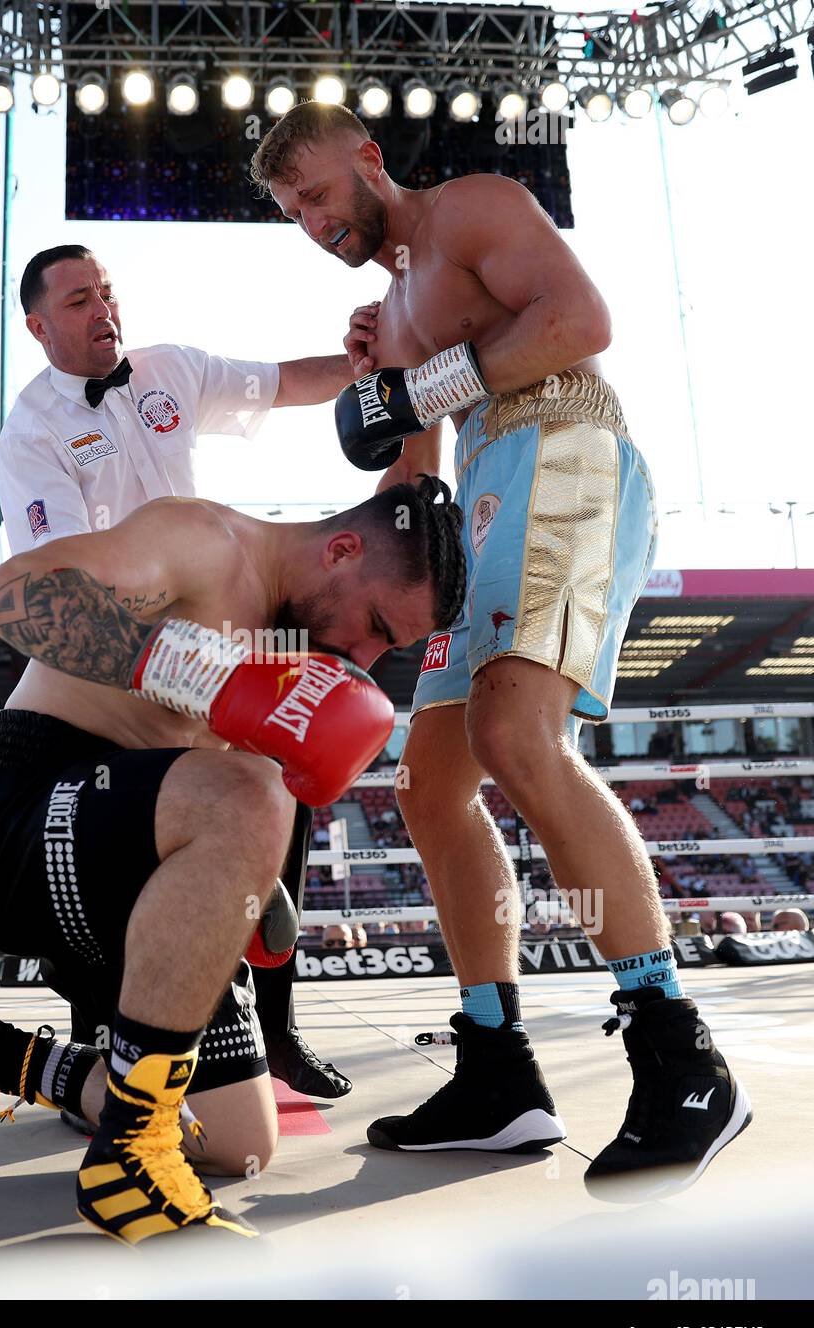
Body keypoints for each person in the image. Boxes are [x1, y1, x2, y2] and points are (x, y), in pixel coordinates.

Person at [251, 100, 750, 1200]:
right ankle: (496, 1064)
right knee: (431, 784)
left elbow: (580, 320)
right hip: (474, 500)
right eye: (294, 213)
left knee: (516, 735)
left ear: (370, 161)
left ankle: (678, 1049)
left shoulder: (472, 209)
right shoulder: (390, 304)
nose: (315, 222)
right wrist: (336, 598)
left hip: (564, 445)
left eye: (321, 195)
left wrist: (419, 380)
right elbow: (410, 481)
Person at [0, 481, 465, 1243]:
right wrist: (206, 674)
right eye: (376, 626)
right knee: (253, 794)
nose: (364, 656)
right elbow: (6, 597)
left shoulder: (295, 650)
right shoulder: (200, 539)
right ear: (342, 549)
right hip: (25, 822)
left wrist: (250, 889)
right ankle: (127, 1150)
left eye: (386, 649)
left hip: (140, 860)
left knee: (239, 1145)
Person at [0, 242, 360, 1099]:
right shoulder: (31, 431)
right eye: (80, 299)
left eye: (107, 292)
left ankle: (275, 1030)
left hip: (213, 623)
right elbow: (49, 572)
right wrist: (156, 655)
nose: (102, 310)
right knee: (119, 828)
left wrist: (363, 363)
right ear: (38, 325)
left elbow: (283, 383)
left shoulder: (170, 370)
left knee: (286, 779)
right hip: (110, 658)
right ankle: (99, 1024)